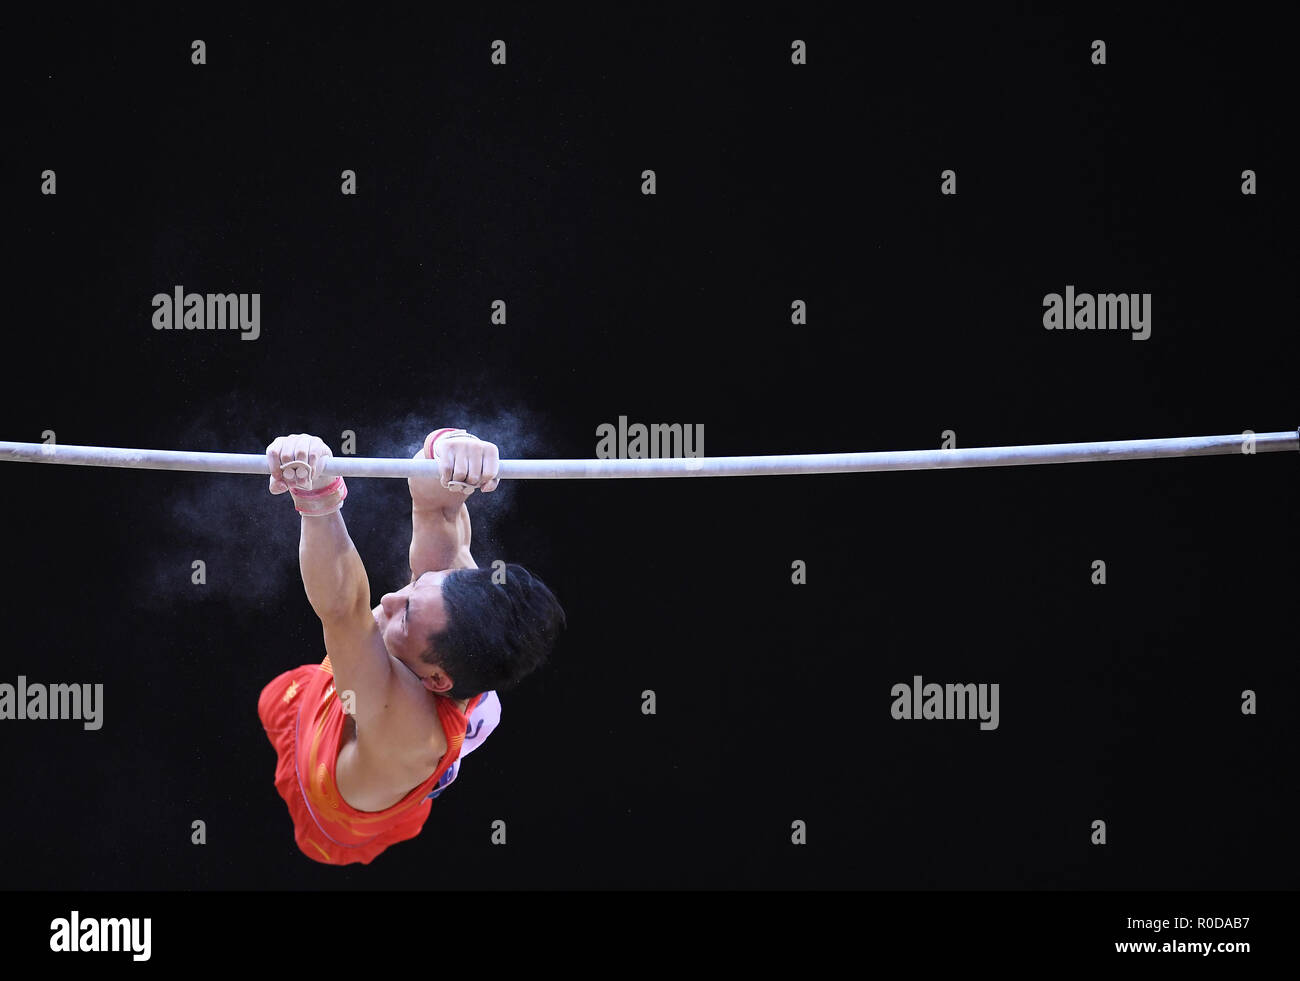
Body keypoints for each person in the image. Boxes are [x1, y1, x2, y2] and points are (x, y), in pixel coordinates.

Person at [256, 427, 565, 864]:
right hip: (358, 696)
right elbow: (435, 506)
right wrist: (451, 451)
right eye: (418, 586)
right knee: (426, 578)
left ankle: (446, 754)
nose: (390, 598)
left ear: (435, 678)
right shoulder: (450, 599)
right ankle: (472, 712)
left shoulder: (406, 731)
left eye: (405, 615)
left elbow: (344, 611)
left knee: (332, 661)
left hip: (333, 805)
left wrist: (316, 497)